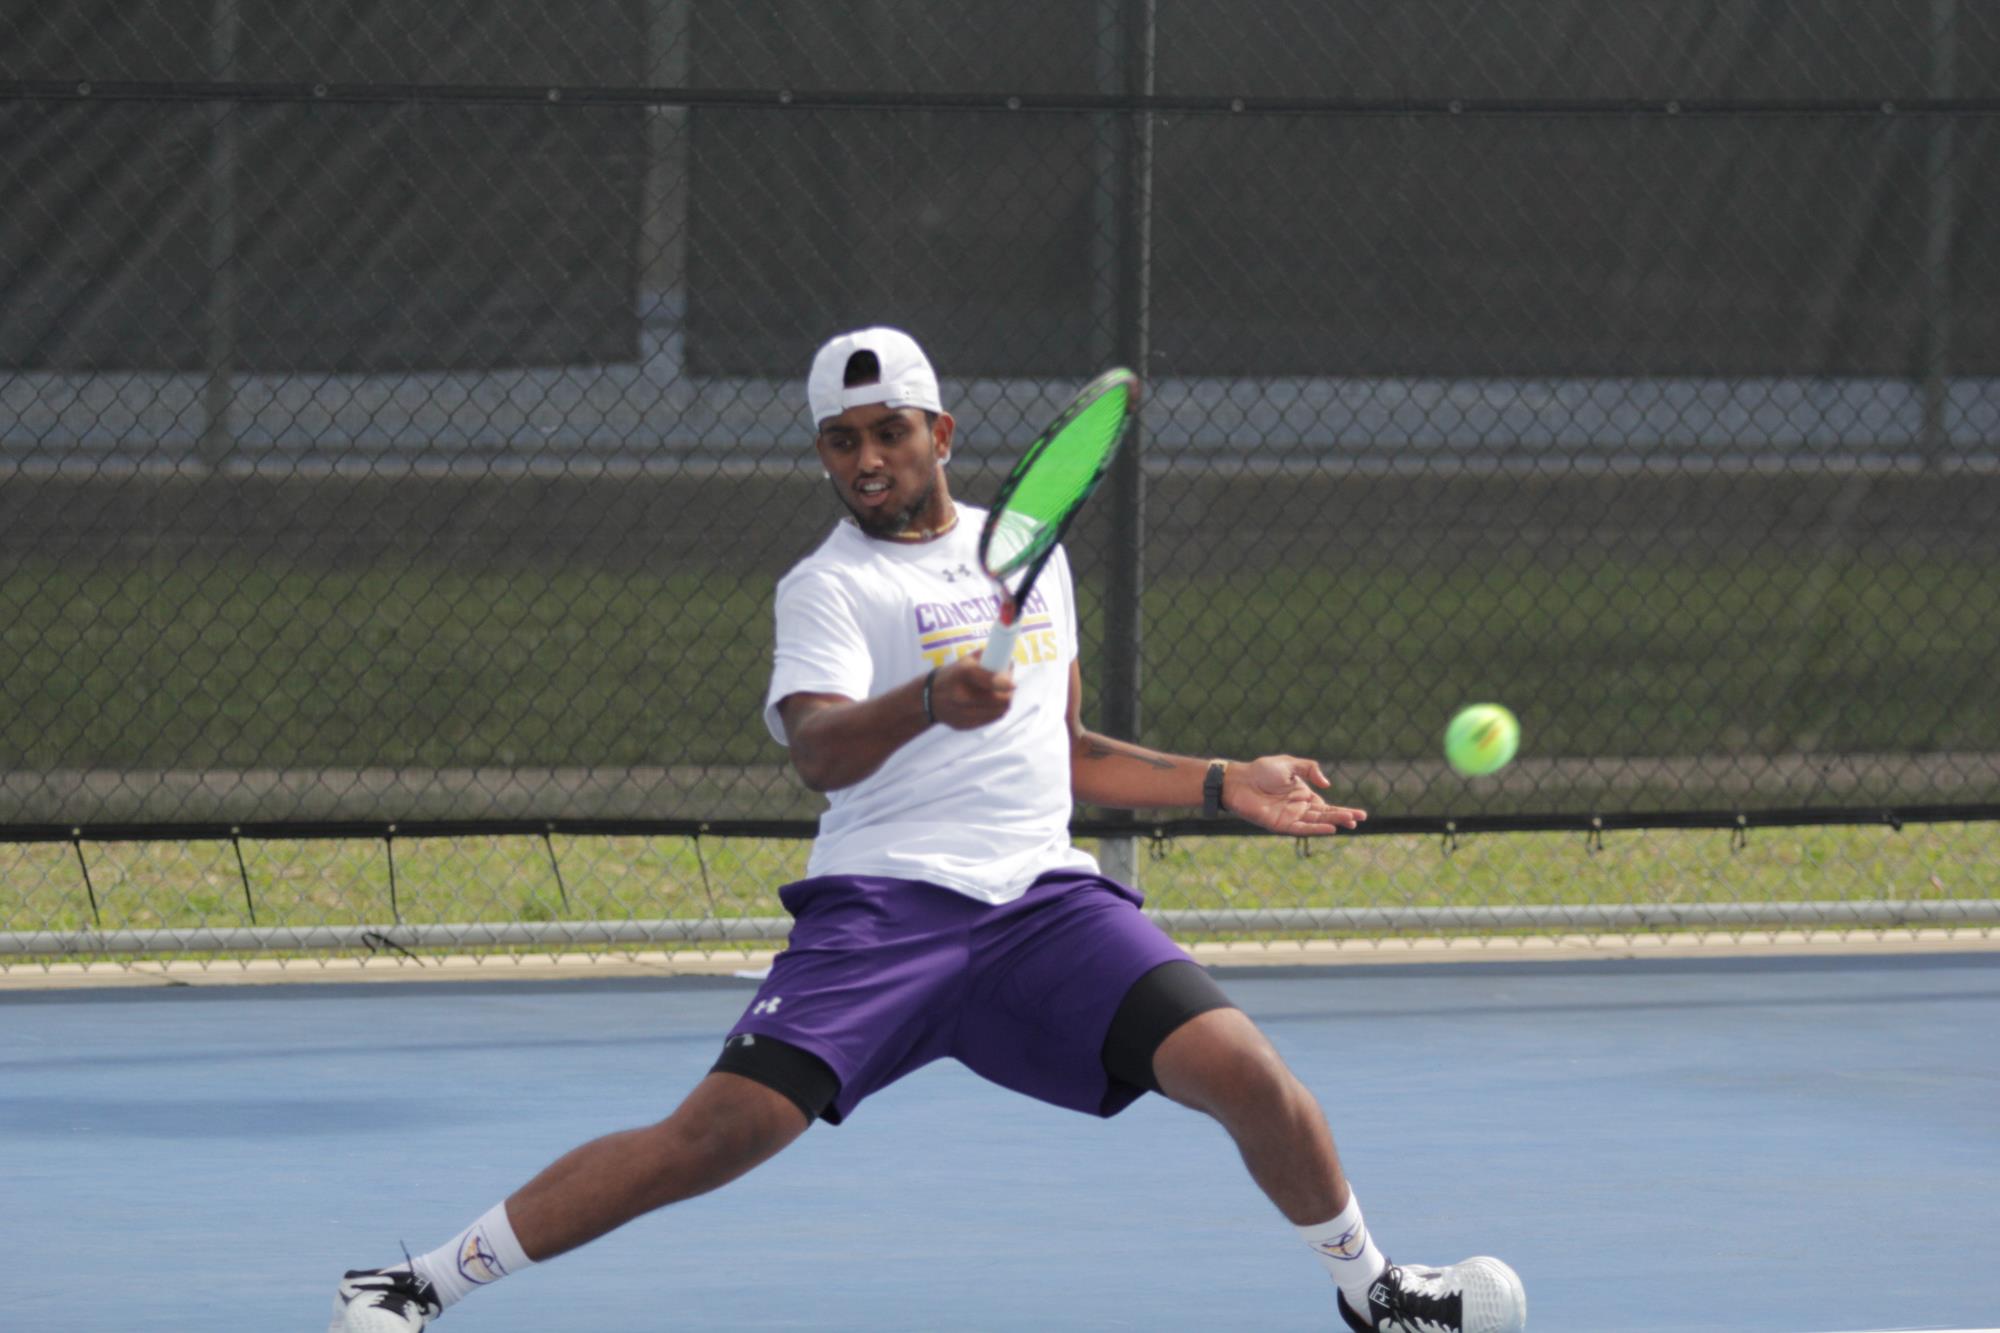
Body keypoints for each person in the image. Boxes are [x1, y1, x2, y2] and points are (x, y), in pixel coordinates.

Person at [328, 327, 1529, 1333]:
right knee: (711, 1136)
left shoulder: (1028, 557)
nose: (865, 458)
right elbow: (816, 749)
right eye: (840, 440)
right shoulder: (828, 588)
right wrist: (927, 698)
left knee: (1247, 1074)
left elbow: (1063, 751)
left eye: (888, 430)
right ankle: (411, 1285)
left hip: (1045, 909)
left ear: (938, 434)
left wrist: (1228, 781)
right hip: (884, 913)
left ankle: (1371, 1290)